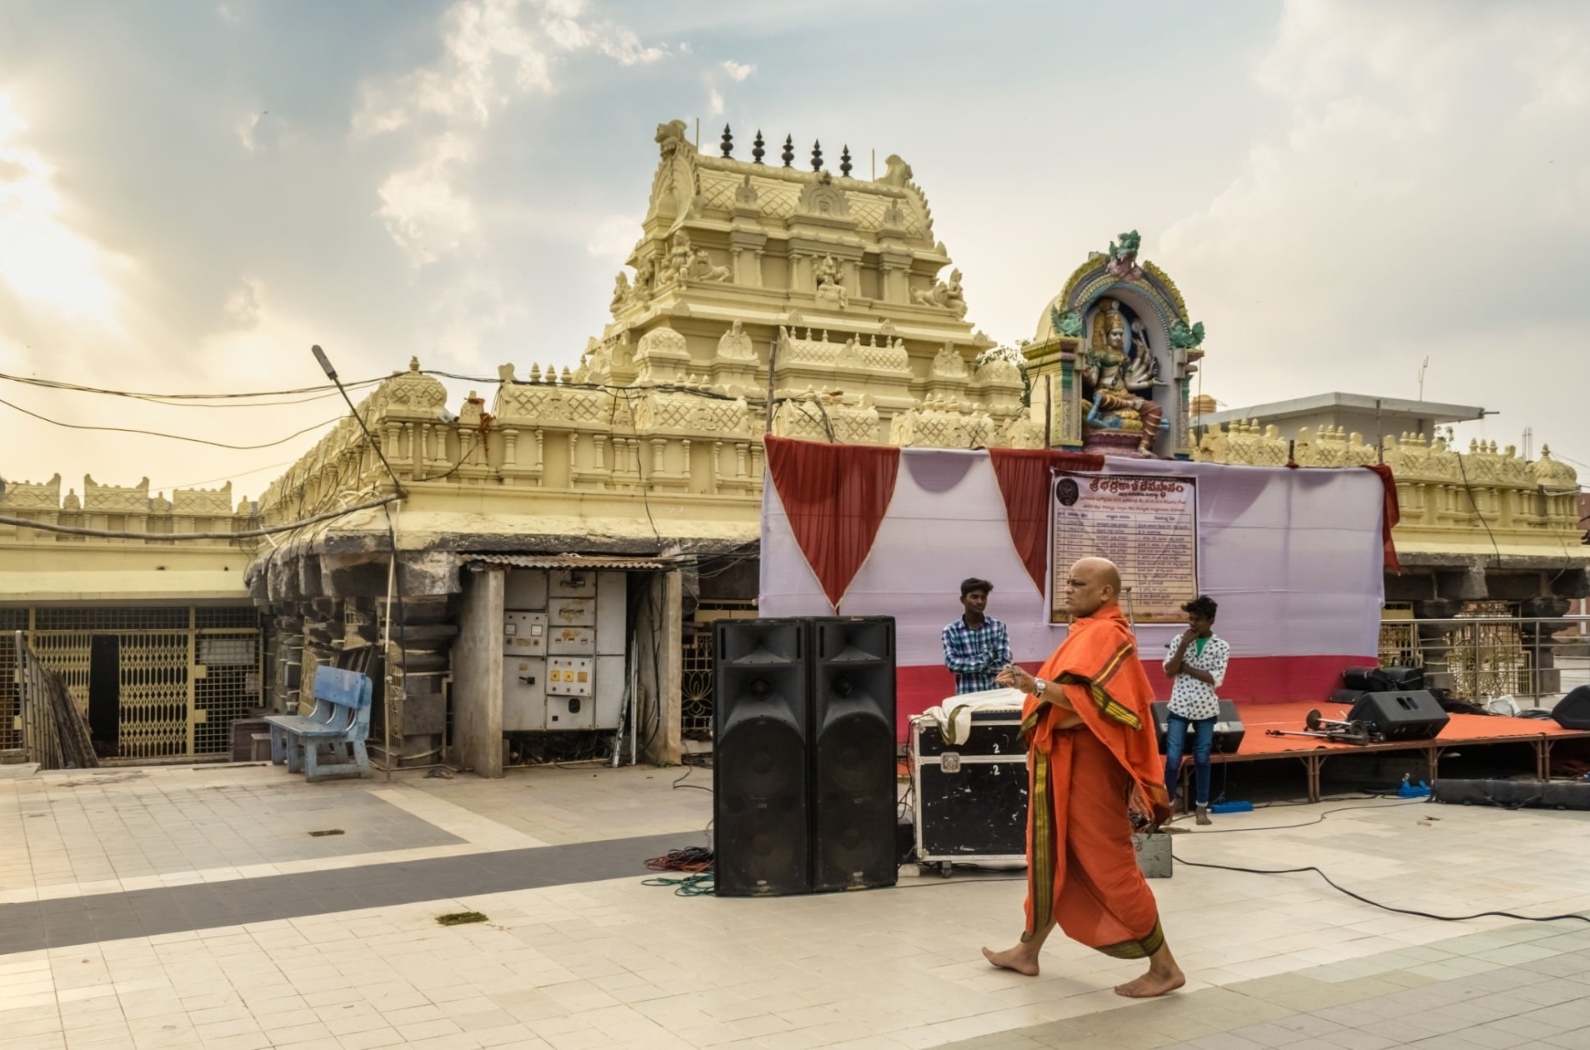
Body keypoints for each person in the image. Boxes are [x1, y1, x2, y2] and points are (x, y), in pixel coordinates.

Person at [983, 557, 1185, 998]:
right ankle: (1027, 951)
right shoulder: (1086, 633)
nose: (1068, 589)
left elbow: (1089, 707)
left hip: (1090, 769)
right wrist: (1032, 686)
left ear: (1106, 593)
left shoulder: (1109, 636)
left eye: (1078, 583)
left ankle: (1164, 966)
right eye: (1067, 582)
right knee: (1057, 858)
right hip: (1063, 764)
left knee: (1110, 866)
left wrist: (1033, 686)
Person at [1162, 595, 1230, 826]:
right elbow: (1170, 671)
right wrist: (1182, 646)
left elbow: (1214, 679)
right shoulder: (1179, 640)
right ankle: (1169, 804)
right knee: (1172, 759)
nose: (1192, 624)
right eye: (1190, 619)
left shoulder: (1221, 646)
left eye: (1198, 620)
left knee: (1202, 758)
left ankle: (1202, 807)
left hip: (1206, 709)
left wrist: (1186, 667)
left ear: (1211, 620)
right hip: (1179, 705)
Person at [941, 577, 1013, 695]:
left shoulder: (998, 627)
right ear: (962, 599)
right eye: (974, 597)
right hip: (967, 697)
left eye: (983, 598)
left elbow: (1005, 663)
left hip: (997, 695)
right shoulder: (951, 630)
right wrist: (989, 655)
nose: (979, 601)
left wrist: (966, 666)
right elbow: (952, 664)